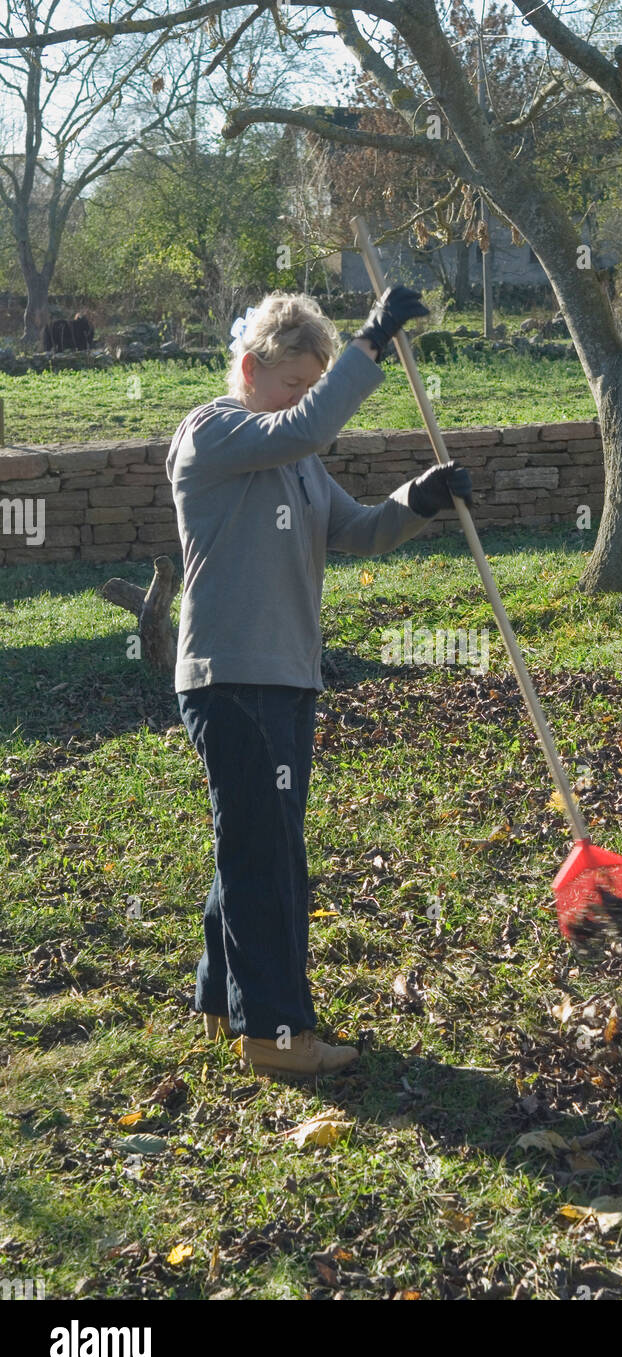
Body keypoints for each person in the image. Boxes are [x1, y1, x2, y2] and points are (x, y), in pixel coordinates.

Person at [166, 287, 472, 1080]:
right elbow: (307, 426)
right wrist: (371, 343)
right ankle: (273, 1032)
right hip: (231, 675)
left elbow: (359, 532)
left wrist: (420, 500)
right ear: (248, 368)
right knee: (269, 856)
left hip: (286, 676)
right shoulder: (214, 433)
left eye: (312, 384)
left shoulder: (297, 465)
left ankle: (220, 998)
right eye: (292, 383)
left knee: (255, 842)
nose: (302, 401)